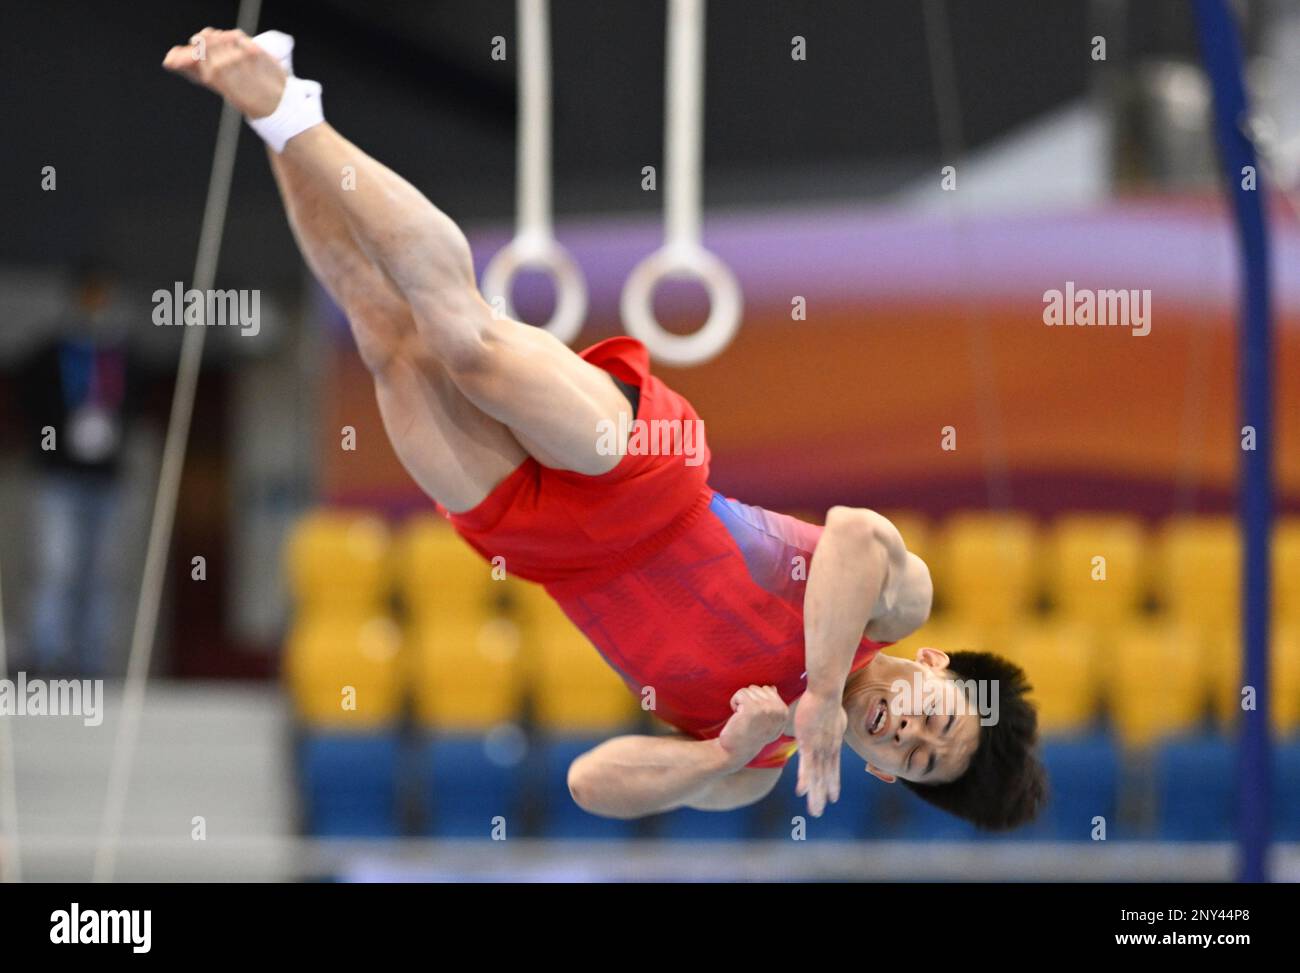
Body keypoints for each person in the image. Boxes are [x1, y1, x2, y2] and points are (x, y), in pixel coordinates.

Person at [163, 28, 1046, 828]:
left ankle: (279, 107)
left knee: (384, 334)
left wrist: (723, 751)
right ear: (933, 663)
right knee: (465, 343)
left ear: (888, 775)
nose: (908, 732)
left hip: (553, 553)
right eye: (937, 715)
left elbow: (592, 782)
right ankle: (286, 108)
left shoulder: (754, 765)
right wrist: (819, 689)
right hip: (645, 472)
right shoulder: (901, 603)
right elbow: (853, 534)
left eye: (917, 757)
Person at [17, 262, 131, 677]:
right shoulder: (51, 355)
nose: (98, 305)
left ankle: (93, 661)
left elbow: (135, 402)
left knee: (101, 574)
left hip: (106, 479)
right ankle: (50, 656)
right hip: (59, 477)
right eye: (91, 296)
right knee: (57, 568)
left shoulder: (120, 354)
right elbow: (26, 398)